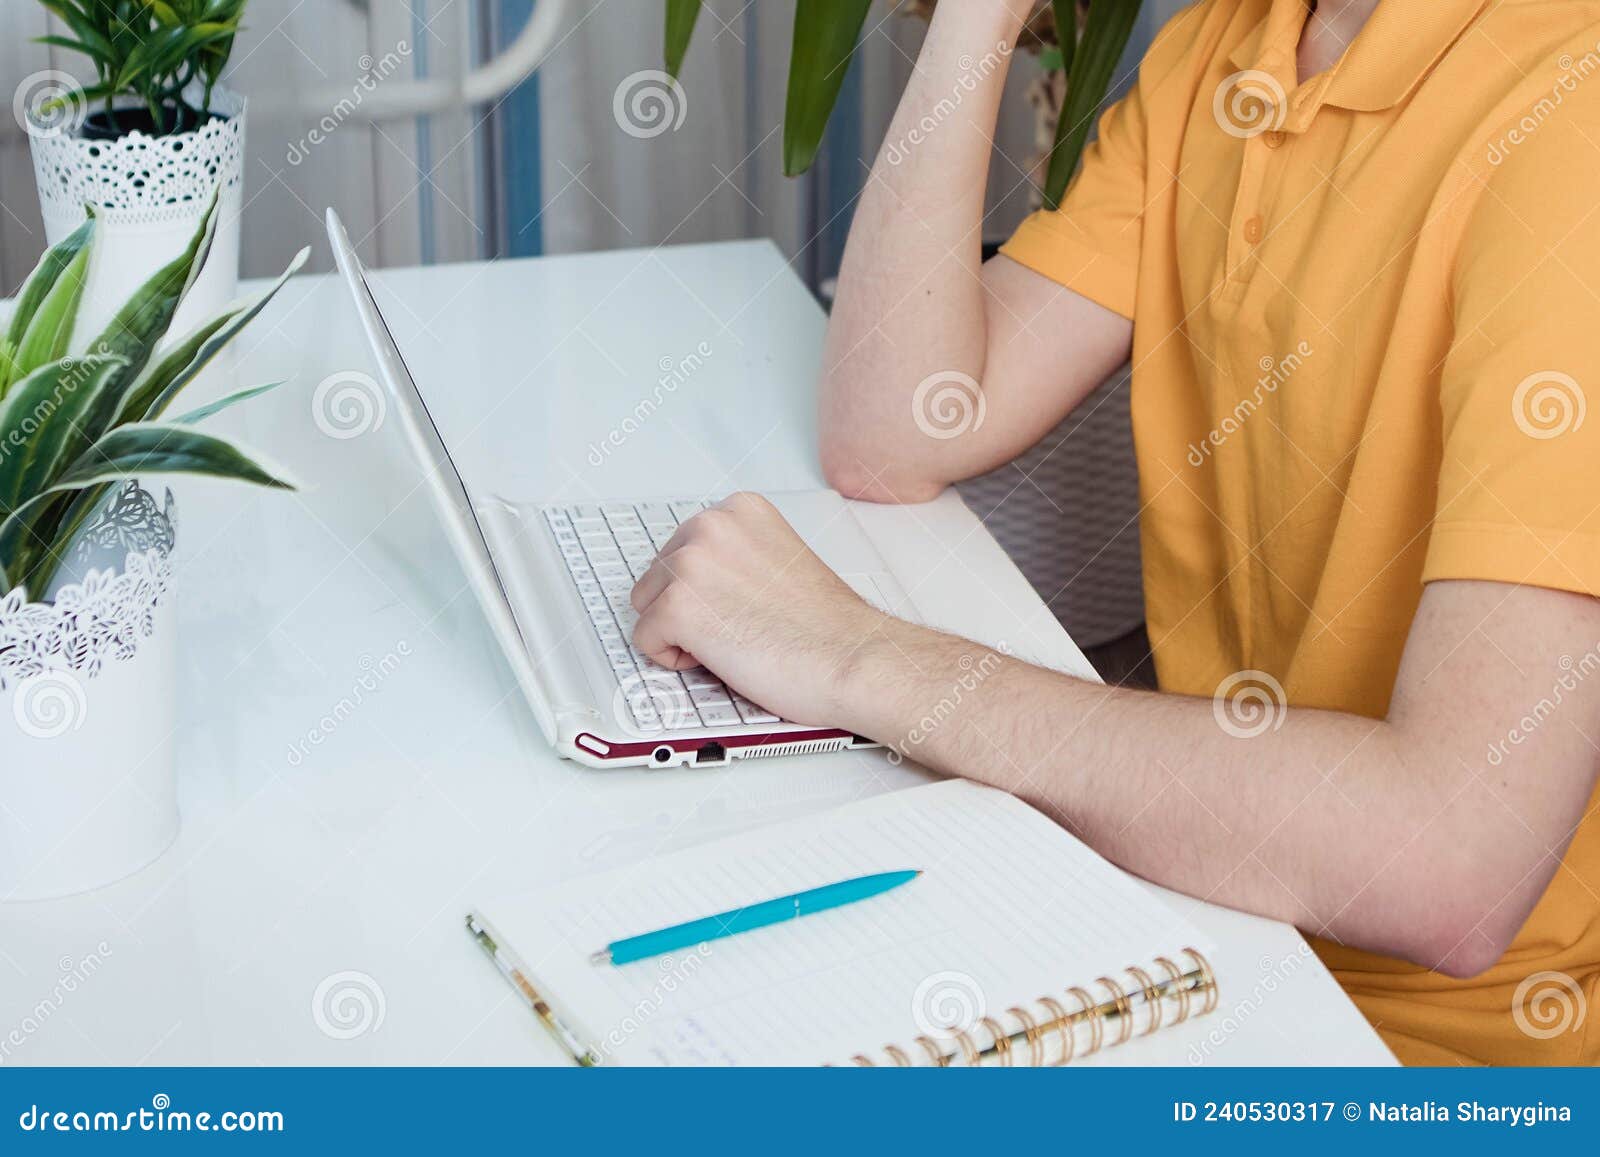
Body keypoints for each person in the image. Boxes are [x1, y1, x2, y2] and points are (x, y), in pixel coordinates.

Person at [629, 0, 1600, 1064]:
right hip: (1205, 906)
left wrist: (862, 657)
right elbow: (894, 427)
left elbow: (1448, 866)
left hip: (1440, 1047)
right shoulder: (1223, 52)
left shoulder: (1570, 120)